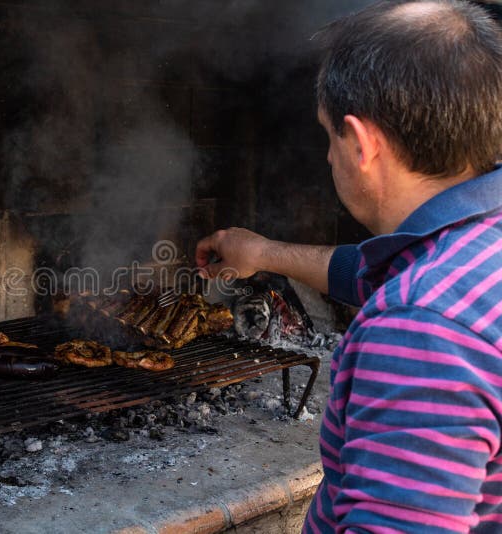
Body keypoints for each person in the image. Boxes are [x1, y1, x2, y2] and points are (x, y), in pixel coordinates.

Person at [195, 1, 502, 532]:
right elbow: (377, 270)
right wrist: (264, 253)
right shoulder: (469, 250)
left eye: (327, 135)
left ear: (360, 143)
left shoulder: (418, 329)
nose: (327, 156)